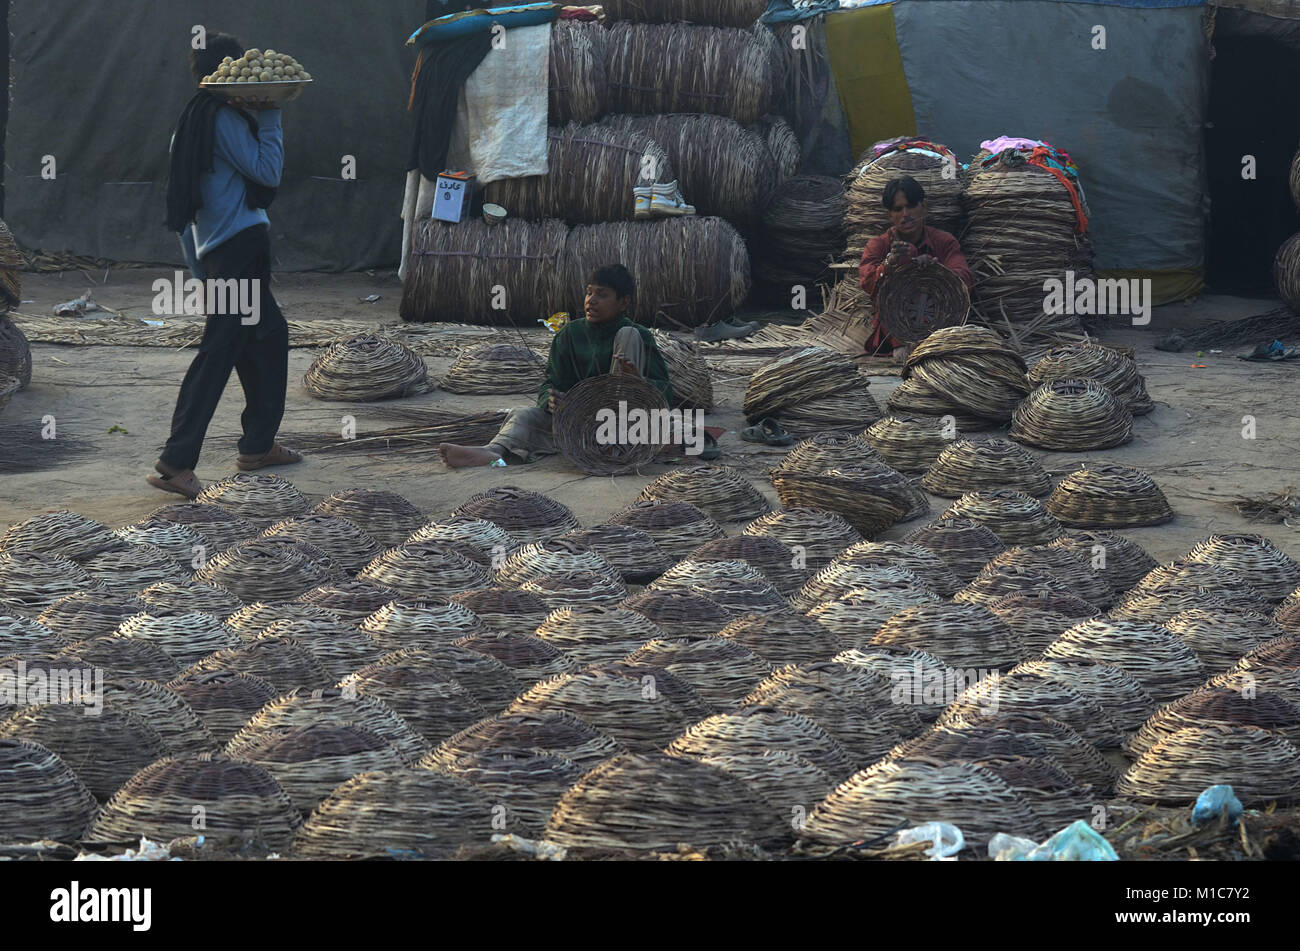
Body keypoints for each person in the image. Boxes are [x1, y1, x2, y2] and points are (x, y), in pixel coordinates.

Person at [149, 32, 302, 499]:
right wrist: (272, 113)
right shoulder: (224, 120)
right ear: (227, 75)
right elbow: (267, 171)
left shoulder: (190, 124)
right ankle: (175, 464)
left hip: (221, 251)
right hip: (241, 249)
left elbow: (186, 210)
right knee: (221, 349)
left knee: (269, 336)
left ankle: (257, 445)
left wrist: (200, 268)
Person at [440, 264, 674, 467]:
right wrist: (552, 401)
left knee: (627, 335)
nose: (590, 301)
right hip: (580, 426)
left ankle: (617, 446)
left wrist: (638, 384)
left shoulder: (638, 336)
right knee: (525, 415)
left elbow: (667, 394)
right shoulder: (569, 335)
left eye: (601, 295)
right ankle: (494, 452)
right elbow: (551, 383)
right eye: (589, 293)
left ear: (623, 303)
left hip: (627, 423)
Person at [859, 175, 974, 363]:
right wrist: (890, 264)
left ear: (924, 206)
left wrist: (934, 271)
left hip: (940, 326)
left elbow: (966, 277)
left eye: (911, 206)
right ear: (890, 215)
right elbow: (866, 282)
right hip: (894, 334)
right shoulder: (878, 245)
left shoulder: (944, 241)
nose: (906, 214)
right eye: (898, 209)